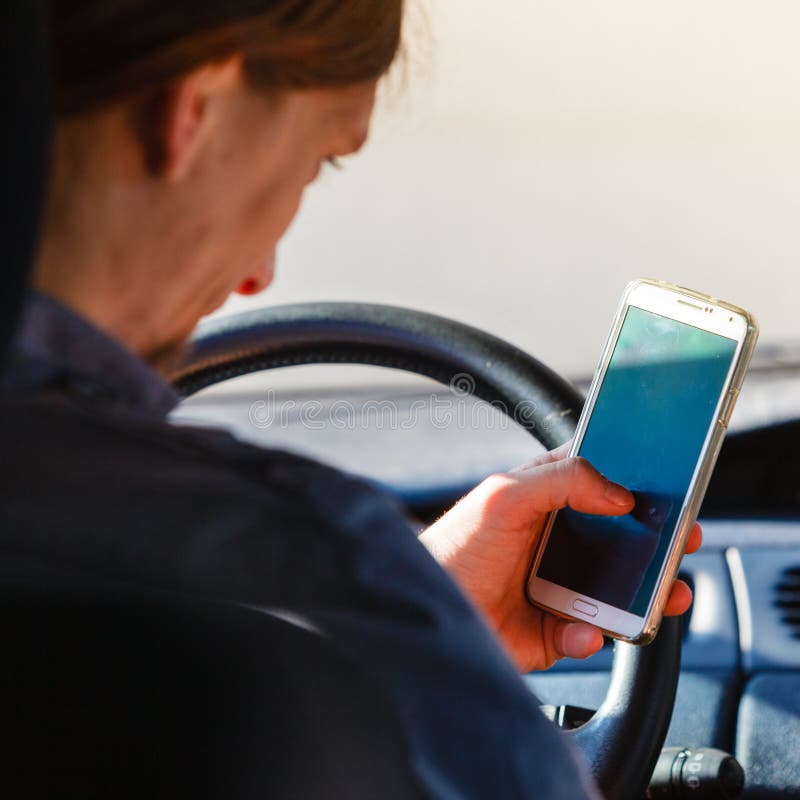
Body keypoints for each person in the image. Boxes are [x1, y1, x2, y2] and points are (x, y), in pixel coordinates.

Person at [0, 1, 700, 796]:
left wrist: (424, 611)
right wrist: (405, 626)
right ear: (198, 111)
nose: (258, 276)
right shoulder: (326, 562)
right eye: (316, 162)